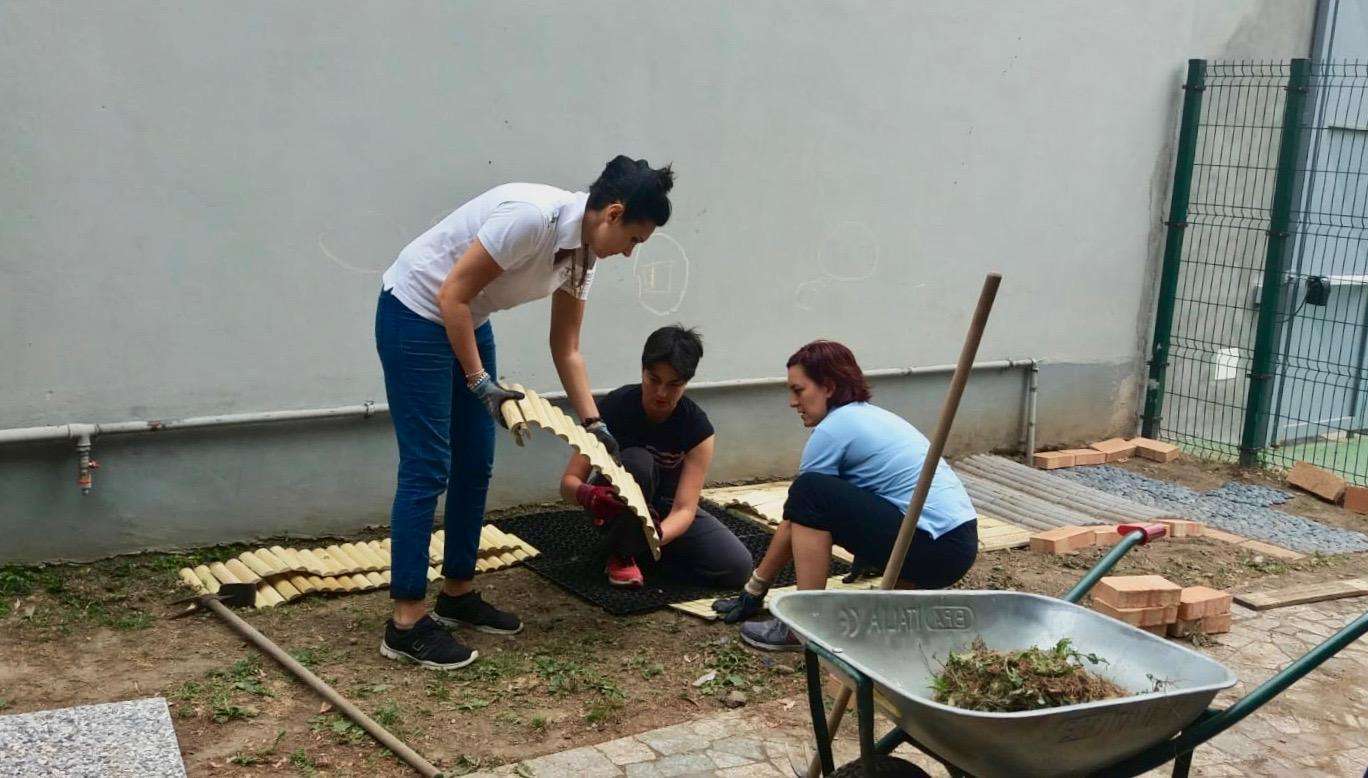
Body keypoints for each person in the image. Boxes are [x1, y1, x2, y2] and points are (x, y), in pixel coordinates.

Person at [375, 156, 674, 669]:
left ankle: (457, 593)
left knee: (476, 462)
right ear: (613, 213)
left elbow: (567, 346)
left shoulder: (583, 255)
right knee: (428, 466)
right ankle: (405, 621)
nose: (628, 253)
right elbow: (451, 295)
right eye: (634, 240)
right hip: (416, 313)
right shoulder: (531, 219)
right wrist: (479, 382)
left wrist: (594, 423)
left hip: (470, 319)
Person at [716, 340, 979, 651]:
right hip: (958, 545)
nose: (791, 401)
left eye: (798, 391)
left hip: (933, 545)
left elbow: (798, 516)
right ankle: (901, 608)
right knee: (816, 495)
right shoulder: (868, 416)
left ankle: (804, 624)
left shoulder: (832, 430)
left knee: (809, 490)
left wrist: (754, 589)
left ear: (828, 387)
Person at [560, 326, 753, 589]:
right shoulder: (613, 408)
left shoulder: (698, 429)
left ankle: (639, 554)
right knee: (638, 461)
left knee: (736, 568)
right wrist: (590, 495)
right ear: (642, 370)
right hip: (615, 507)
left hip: (661, 513)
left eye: (674, 385)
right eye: (653, 380)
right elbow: (569, 483)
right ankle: (621, 551)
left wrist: (655, 537)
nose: (661, 393)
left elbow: (684, 509)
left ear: (687, 382)